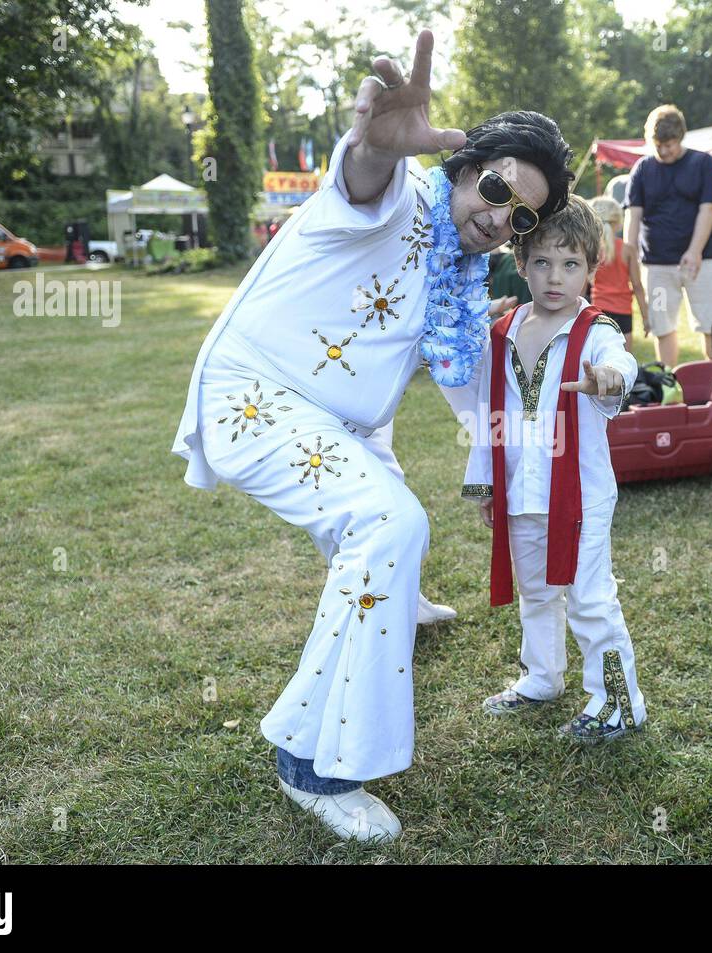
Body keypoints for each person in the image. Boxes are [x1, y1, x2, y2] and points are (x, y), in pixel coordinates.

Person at [169, 31, 574, 843]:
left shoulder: (460, 274)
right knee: (390, 522)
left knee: (390, 508)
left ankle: (401, 600)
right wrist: (371, 148)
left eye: (522, 214)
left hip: (344, 418)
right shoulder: (405, 198)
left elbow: (467, 387)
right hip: (255, 395)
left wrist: (512, 457)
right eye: (494, 187)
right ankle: (312, 764)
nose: (500, 217)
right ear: (461, 167)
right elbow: (363, 184)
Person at [457, 196, 645, 742]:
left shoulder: (596, 332)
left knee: (588, 596)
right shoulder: (506, 330)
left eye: (570, 264)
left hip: (580, 493)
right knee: (536, 591)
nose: (555, 277)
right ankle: (542, 676)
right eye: (542, 262)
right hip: (522, 490)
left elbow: (621, 361)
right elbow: (490, 409)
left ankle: (618, 703)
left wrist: (610, 377)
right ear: (521, 263)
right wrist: (488, 484)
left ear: (591, 269)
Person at [624, 104, 712, 366]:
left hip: (701, 263)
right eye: (658, 144)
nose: (663, 150)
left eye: (668, 144)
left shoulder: (702, 163)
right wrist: (628, 255)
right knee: (662, 326)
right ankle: (668, 381)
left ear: (680, 137)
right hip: (657, 266)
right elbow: (633, 216)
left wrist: (694, 251)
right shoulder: (642, 168)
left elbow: (708, 209)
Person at [587, 195, 645, 351]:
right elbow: (637, 286)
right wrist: (646, 318)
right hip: (623, 312)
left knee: (597, 361)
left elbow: (582, 284)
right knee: (624, 364)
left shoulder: (591, 250)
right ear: (618, 223)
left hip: (598, 310)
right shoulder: (628, 250)